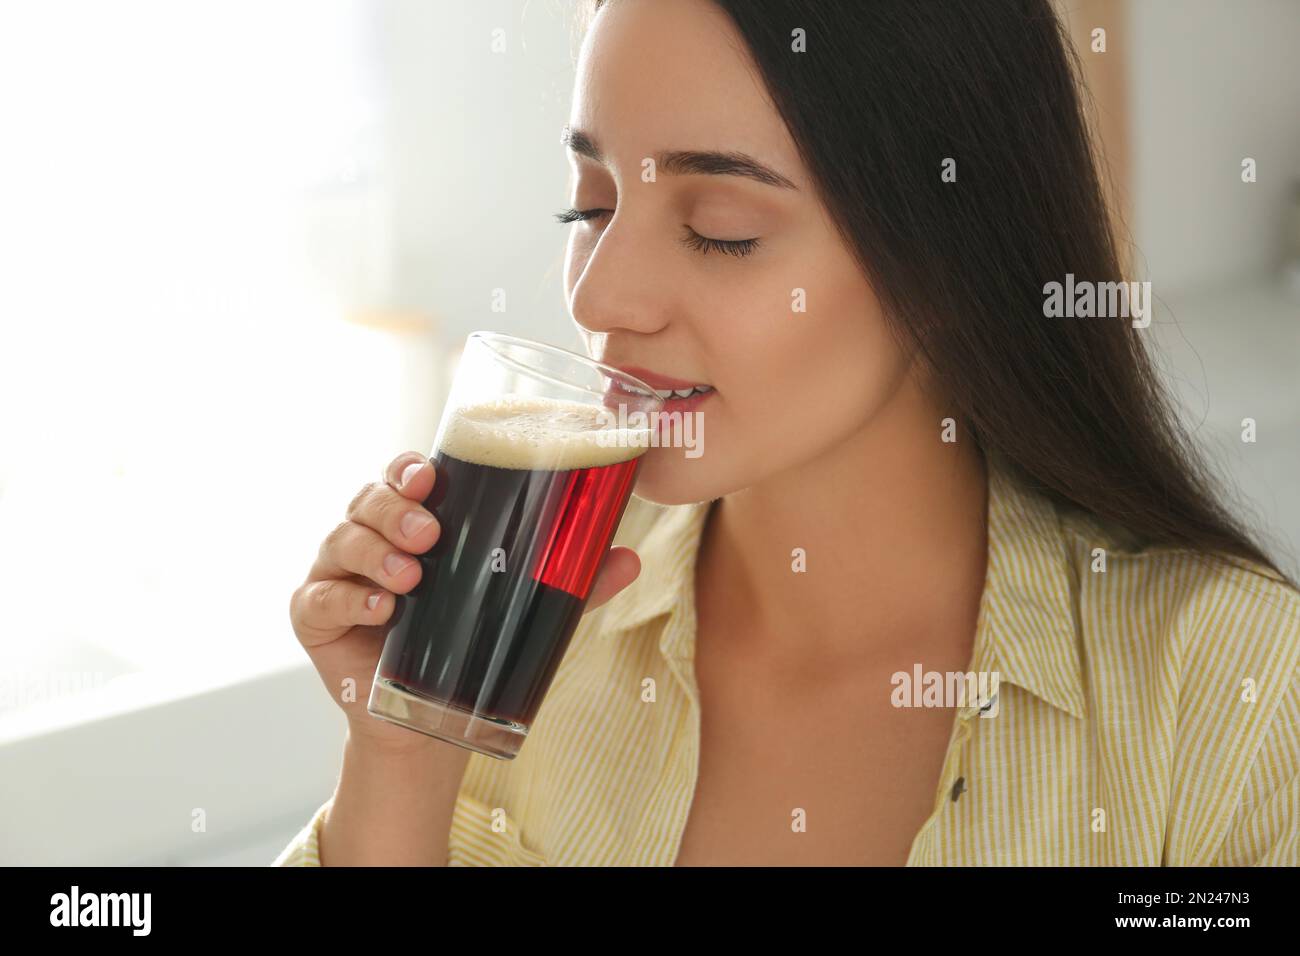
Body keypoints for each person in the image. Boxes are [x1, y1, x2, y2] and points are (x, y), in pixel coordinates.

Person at [274, 0, 1300, 866]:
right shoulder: (519, 632)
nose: (604, 293)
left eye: (722, 228)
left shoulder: (1230, 695)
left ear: (947, 260)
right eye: (590, 205)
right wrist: (400, 757)